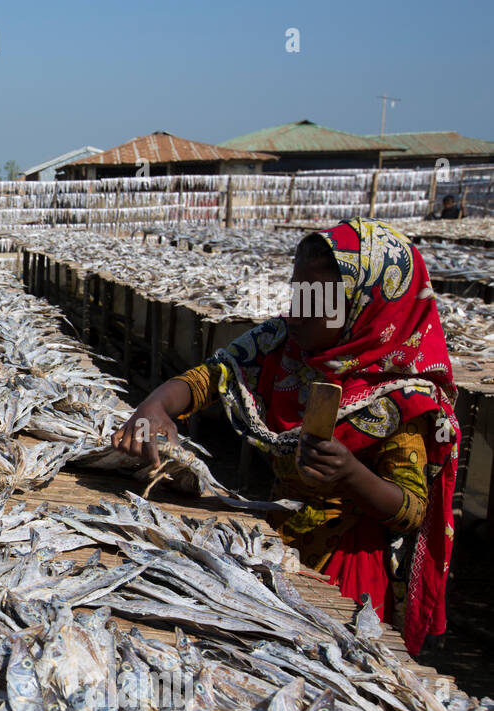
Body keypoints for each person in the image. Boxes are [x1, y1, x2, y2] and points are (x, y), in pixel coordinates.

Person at [112, 218, 459, 655]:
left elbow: (411, 510)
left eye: (321, 300)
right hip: (271, 545)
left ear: (362, 306)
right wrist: (155, 407)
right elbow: (213, 376)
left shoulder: (401, 394)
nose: (300, 310)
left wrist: (350, 473)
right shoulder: (281, 342)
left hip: (344, 577)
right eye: (298, 293)